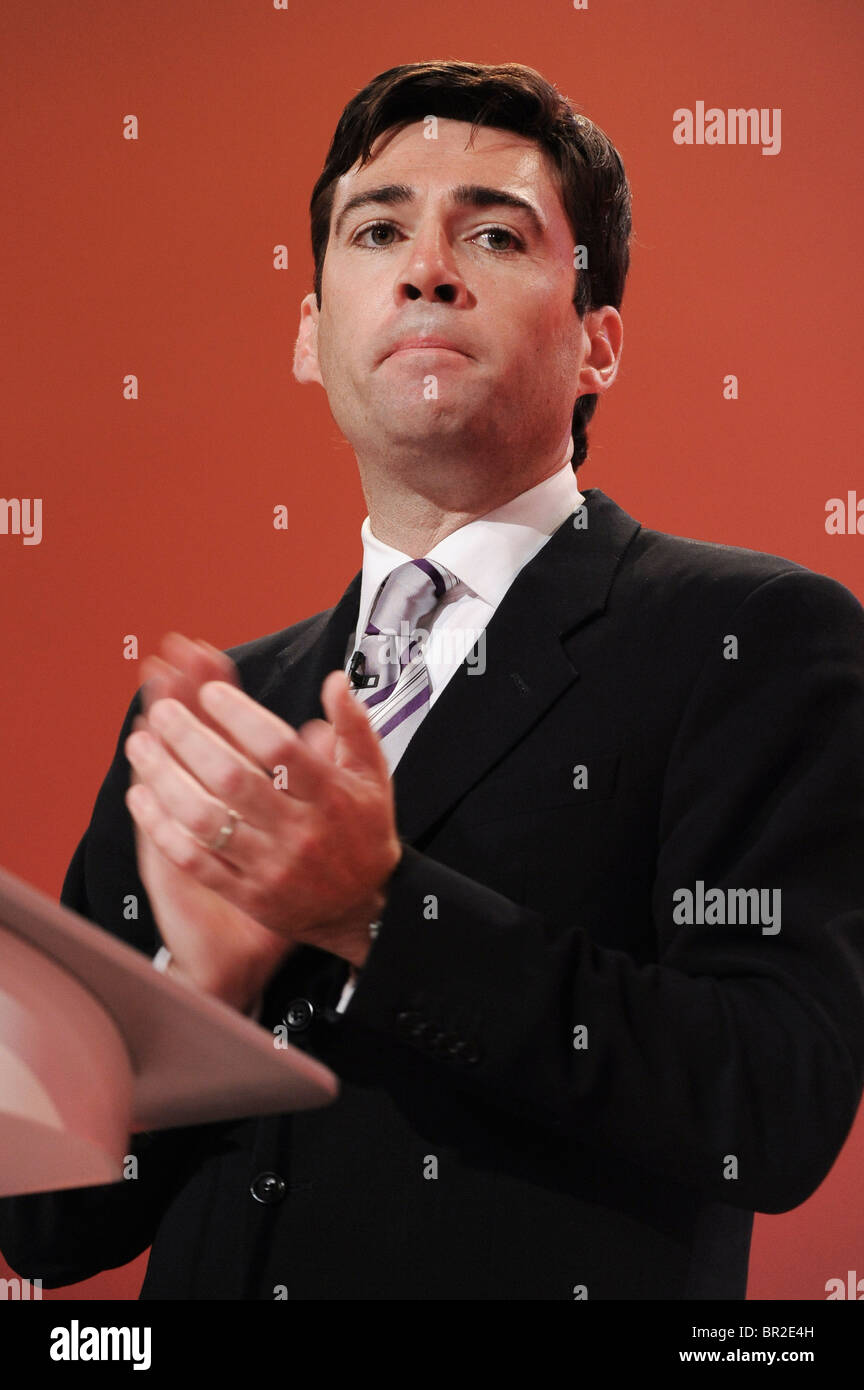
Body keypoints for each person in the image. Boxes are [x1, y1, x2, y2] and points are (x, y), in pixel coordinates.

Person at [2, 58, 863, 1301]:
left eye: (497, 233)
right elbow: (46, 1226)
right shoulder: (212, 716)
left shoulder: (753, 641)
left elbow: (772, 1102)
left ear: (596, 344)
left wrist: (378, 912)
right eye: (379, 228)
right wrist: (208, 992)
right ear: (310, 334)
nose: (426, 267)